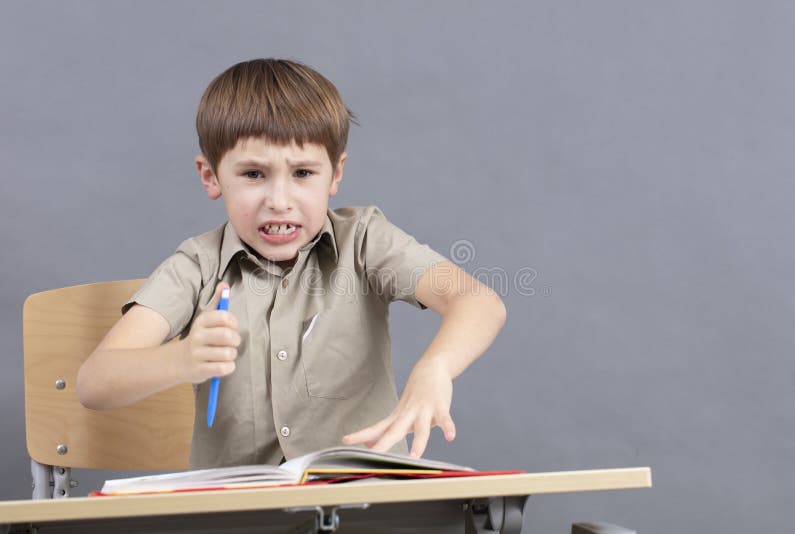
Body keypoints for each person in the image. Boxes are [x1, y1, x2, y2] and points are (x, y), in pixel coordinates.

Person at [76, 58, 506, 468]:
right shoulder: (196, 267)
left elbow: (480, 302)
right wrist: (182, 358)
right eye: (253, 175)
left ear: (335, 175)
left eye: (302, 174)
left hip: (361, 505)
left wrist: (435, 368)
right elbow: (94, 382)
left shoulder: (364, 240)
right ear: (210, 176)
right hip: (241, 515)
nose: (279, 202)